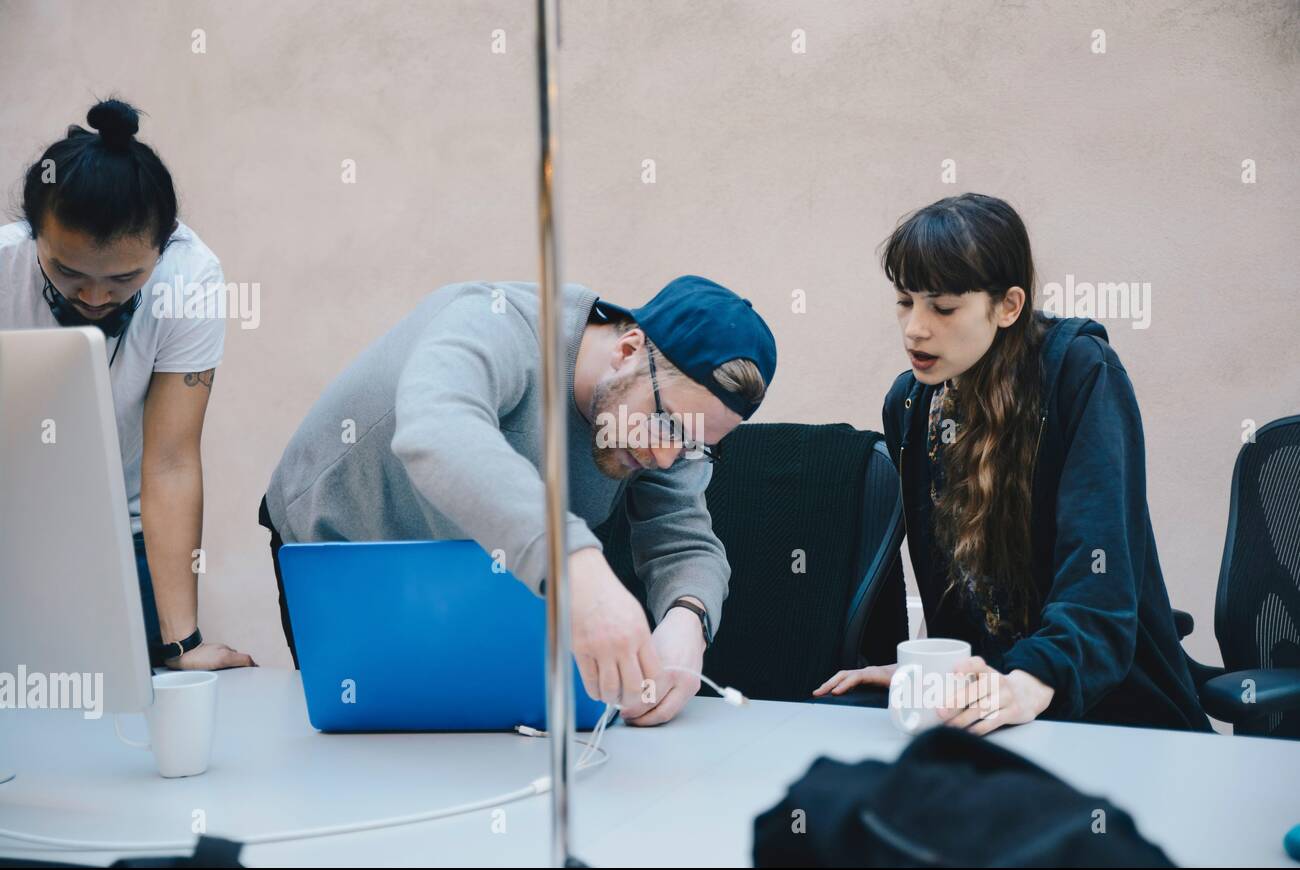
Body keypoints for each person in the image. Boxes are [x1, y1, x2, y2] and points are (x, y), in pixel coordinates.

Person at [260, 276, 775, 725]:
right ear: (627, 351)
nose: (667, 458)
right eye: (667, 426)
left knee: (491, 747)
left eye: (694, 445)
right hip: (340, 547)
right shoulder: (494, 322)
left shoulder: (666, 425)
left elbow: (684, 542)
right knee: (365, 750)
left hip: (487, 565)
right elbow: (436, 431)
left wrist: (688, 619)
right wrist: (582, 570)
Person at [815, 193, 1209, 734]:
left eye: (943, 307)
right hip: (990, 704)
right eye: (905, 302)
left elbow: (1100, 572)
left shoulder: (1079, 372)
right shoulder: (910, 403)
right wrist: (932, 673)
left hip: (1110, 708)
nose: (915, 329)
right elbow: (957, 592)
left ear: (1008, 305)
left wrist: (1030, 681)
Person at [0, 98, 253, 670]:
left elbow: (169, 461)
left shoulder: (190, 280)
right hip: (12, 526)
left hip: (128, 531)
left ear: (163, 248)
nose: (94, 297)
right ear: (33, 233)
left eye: (123, 278)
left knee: (129, 701)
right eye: (66, 271)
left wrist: (182, 644)